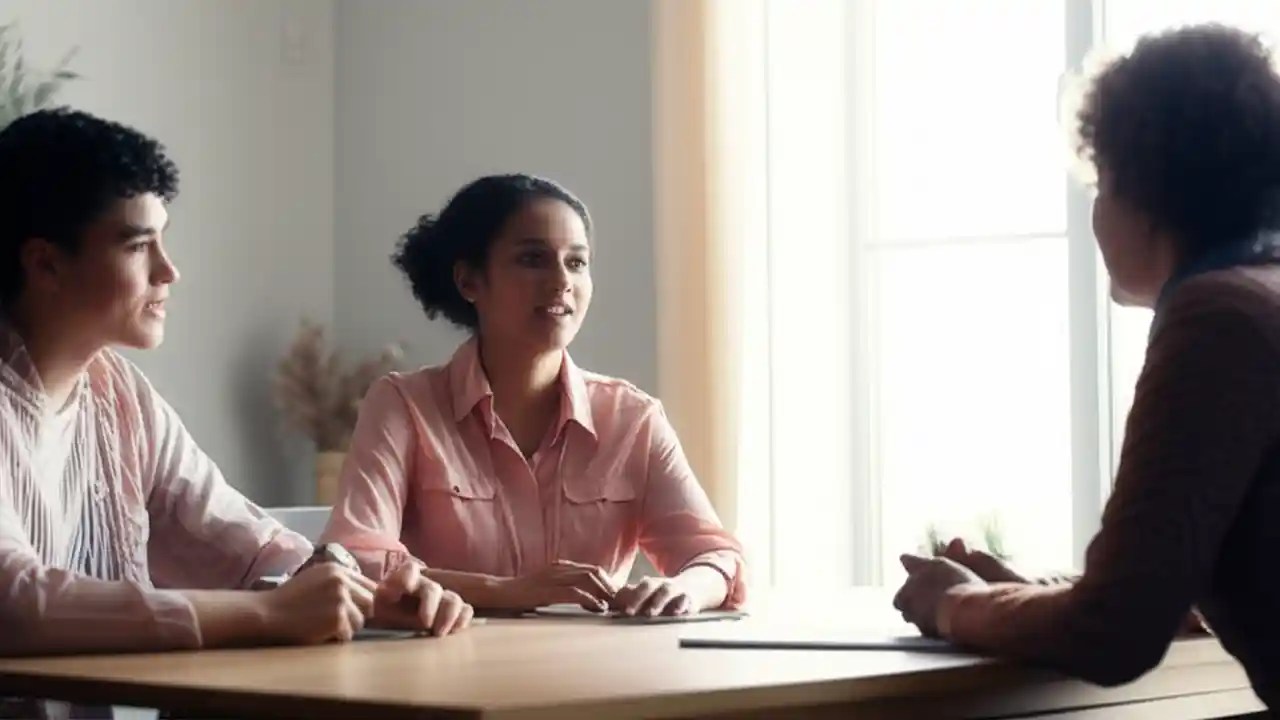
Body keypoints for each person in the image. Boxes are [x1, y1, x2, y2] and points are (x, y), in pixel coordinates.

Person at [893, 25, 1280, 710]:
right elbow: (1161, 589)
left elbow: (1116, 631)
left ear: (1147, 199)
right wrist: (1031, 602)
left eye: (1101, 184)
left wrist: (953, 602)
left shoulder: (1216, 317)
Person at [0, 108, 473, 668]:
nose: (168, 271)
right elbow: (14, 604)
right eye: (136, 246)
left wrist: (360, 591)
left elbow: (242, 542)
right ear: (46, 264)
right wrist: (269, 615)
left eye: (163, 241)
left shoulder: (119, 393)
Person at [321, 174, 746, 616]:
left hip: (595, 676)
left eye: (577, 263)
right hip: (443, 671)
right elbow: (356, 561)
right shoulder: (403, 406)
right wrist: (508, 591)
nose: (562, 280)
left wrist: (685, 591)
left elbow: (716, 558)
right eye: (533, 259)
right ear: (469, 281)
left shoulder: (633, 418)